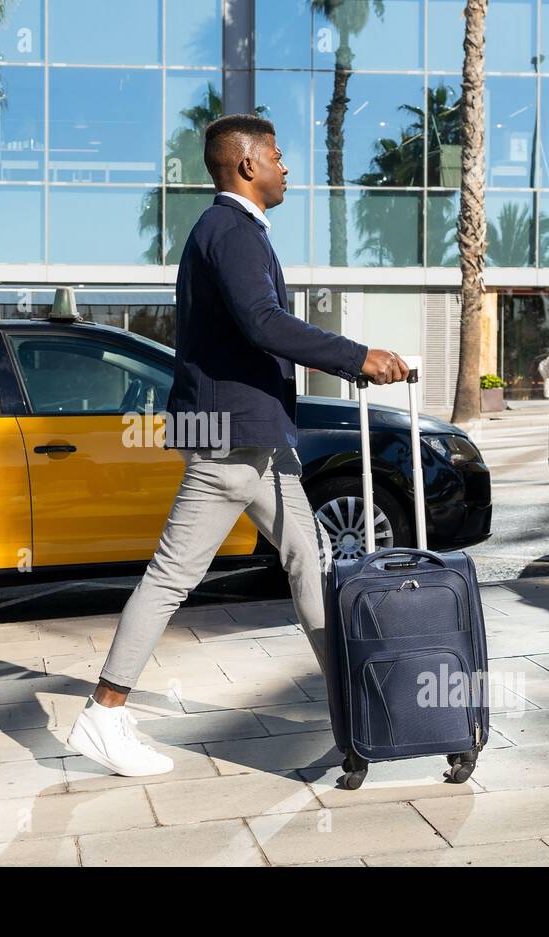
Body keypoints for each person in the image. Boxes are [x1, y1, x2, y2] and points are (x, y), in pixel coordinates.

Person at [66, 114, 409, 776]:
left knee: (310, 566)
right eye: (278, 156)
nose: (287, 167)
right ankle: (103, 714)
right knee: (172, 575)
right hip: (231, 441)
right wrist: (357, 357)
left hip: (254, 442)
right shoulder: (231, 230)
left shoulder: (226, 232)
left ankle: (356, 706)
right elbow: (263, 322)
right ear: (248, 165)